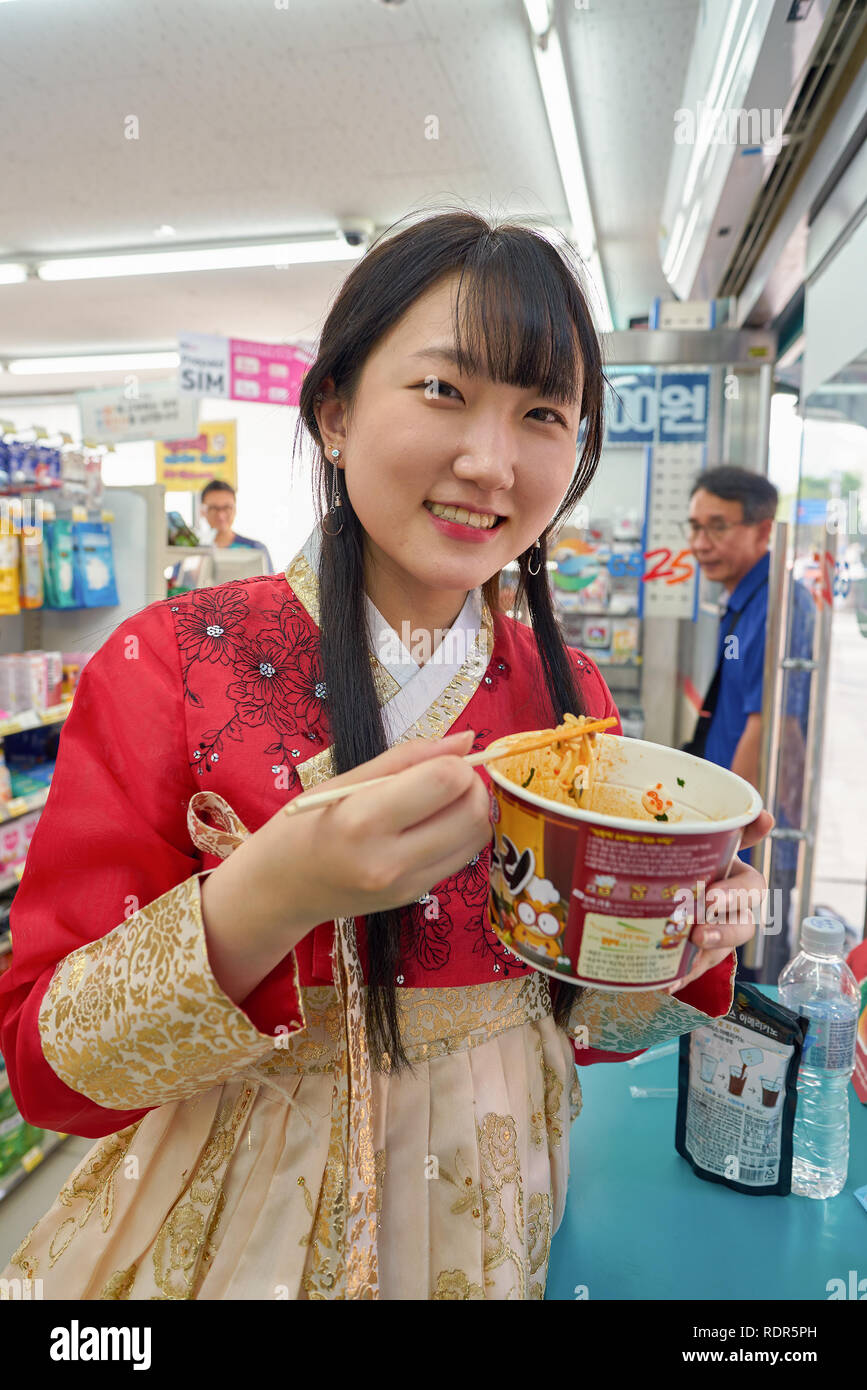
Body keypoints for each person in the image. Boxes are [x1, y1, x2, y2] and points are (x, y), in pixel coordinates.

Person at [0, 211, 771, 1301]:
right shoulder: (168, 664)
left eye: (544, 413)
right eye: (444, 391)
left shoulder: (573, 705)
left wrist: (687, 923)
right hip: (236, 1235)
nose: (491, 461)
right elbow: (50, 1068)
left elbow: (590, 1028)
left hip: (495, 1217)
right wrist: (270, 892)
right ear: (334, 412)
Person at [683, 465, 812, 979]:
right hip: (730, 820)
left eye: (717, 526)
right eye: (694, 527)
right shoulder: (742, 600)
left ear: (764, 530)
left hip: (749, 828)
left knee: (744, 973)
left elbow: (773, 728)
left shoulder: (778, 607)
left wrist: (728, 831)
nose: (701, 542)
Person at [200, 479, 274, 572]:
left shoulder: (256, 549)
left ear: (235, 509)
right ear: (202, 511)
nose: (221, 515)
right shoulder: (190, 552)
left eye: (227, 507)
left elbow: (269, 585)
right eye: (213, 508)